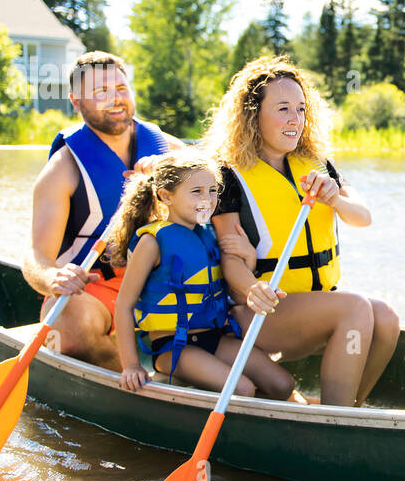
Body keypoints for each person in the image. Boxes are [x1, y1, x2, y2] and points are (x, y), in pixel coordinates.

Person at [203, 56, 399, 407]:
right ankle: (334, 423)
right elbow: (231, 259)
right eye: (282, 109)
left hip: (315, 307)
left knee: (385, 318)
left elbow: (363, 217)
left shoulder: (318, 165)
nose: (295, 120)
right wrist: (253, 289)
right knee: (354, 308)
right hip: (259, 313)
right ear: (253, 116)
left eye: (301, 109)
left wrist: (335, 198)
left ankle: (348, 408)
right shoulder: (227, 176)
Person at [21, 52, 186, 370]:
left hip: (163, 279)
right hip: (99, 285)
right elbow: (36, 257)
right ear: (76, 101)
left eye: (122, 89)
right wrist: (53, 277)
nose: (115, 99)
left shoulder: (167, 149)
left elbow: (223, 182)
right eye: (101, 92)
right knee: (70, 322)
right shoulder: (62, 171)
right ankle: (132, 379)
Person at [105, 152, 293, 400]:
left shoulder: (210, 234)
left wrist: (248, 259)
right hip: (173, 346)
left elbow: (231, 291)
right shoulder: (152, 243)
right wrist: (130, 364)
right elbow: (124, 305)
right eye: (196, 192)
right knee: (242, 388)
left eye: (213, 191)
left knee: (283, 384)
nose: (207, 200)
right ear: (165, 196)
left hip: (214, 338)